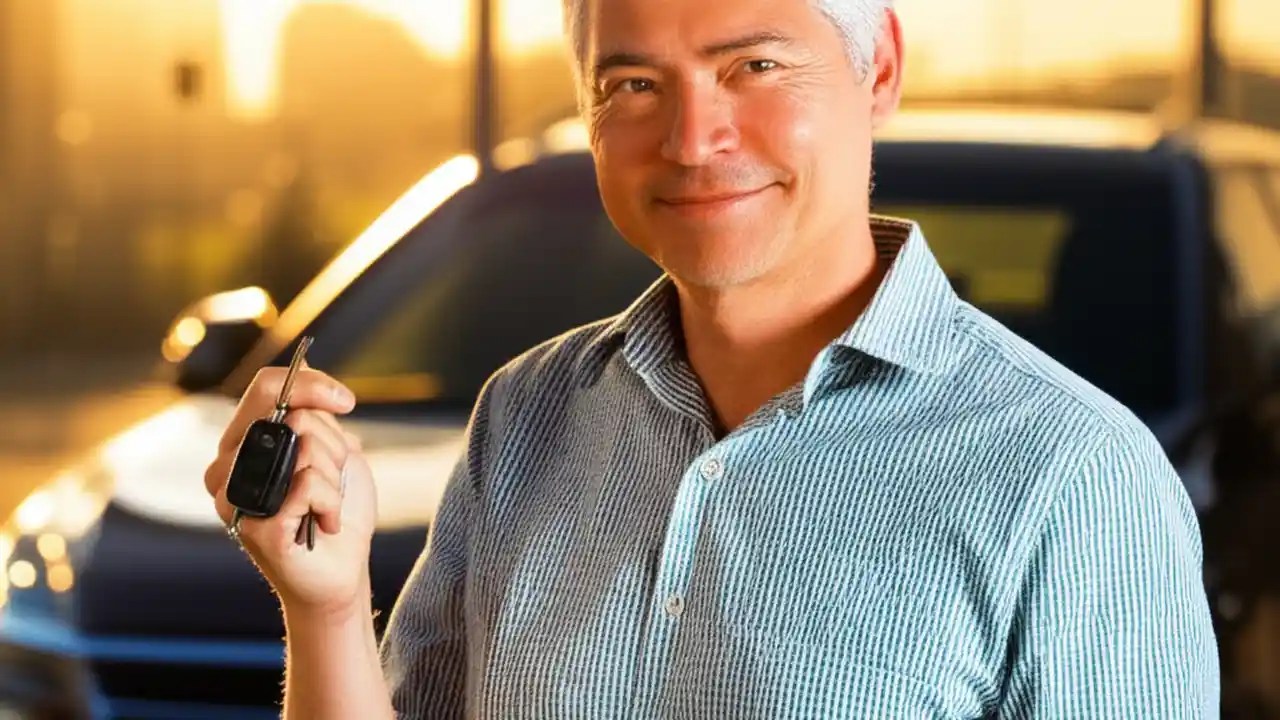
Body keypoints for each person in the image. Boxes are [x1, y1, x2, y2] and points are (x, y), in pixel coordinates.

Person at [204, 0, 1220, 716]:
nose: (692, 139)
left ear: (877, 71)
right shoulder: (524, 417)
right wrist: (326, 602)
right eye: (634, 82)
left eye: (754, 67)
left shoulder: (1074, 479)